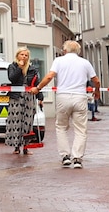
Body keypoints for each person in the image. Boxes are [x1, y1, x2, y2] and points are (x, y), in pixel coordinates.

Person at [35, 39, 97, 169]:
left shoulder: (59, 61)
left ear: (65, 50)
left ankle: (65, 156)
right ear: (78, 51)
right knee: (81, 129)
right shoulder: (85, 62)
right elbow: (95, 80)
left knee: (61, 127)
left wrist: (38, 87)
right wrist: (97, 92)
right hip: (80, 97)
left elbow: (49, 76)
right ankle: (78, 158)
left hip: (63, 97)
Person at [4, 47, 38, 155]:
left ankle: (26, 147)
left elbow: (36, 83)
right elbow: (12, 79)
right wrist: (20, 67)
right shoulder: (12, 67)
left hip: (29, 96)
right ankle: (16, 147)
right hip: (16, 96)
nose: (24, 57)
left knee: (27, 122)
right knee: (16, 121)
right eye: (22, 54)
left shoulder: (32, 69)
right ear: (17, 55)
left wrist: (40, 97)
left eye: (26, 55)